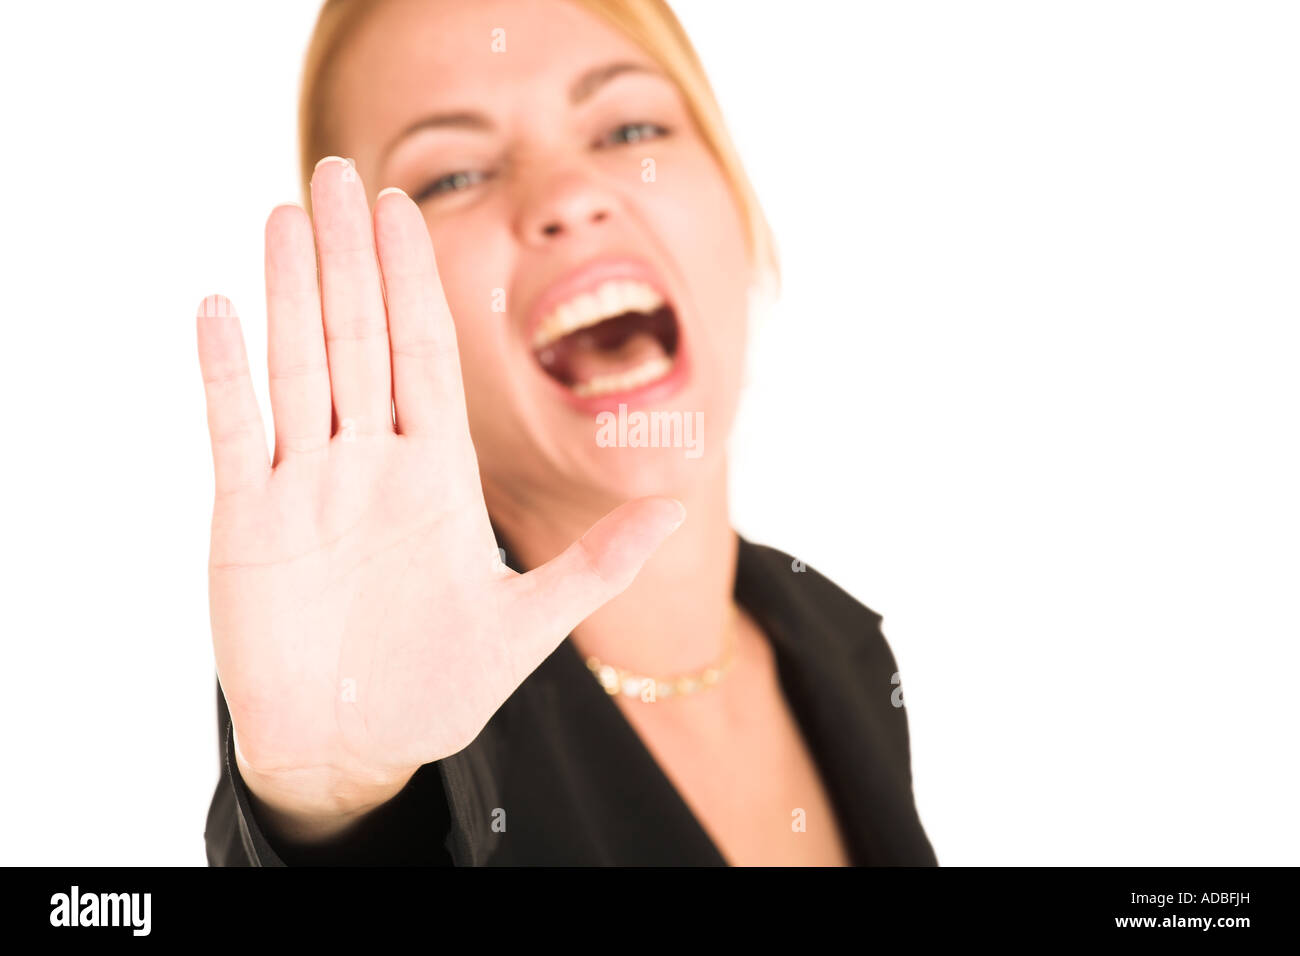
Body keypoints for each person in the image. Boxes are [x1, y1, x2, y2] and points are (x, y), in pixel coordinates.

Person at [199, 0, 937, 866]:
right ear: (367, 308)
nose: (570, 196)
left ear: (740, 212)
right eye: (453, 176)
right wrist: (329, 812)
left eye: (631, 127)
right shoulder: (428, 756)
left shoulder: (838, 643)